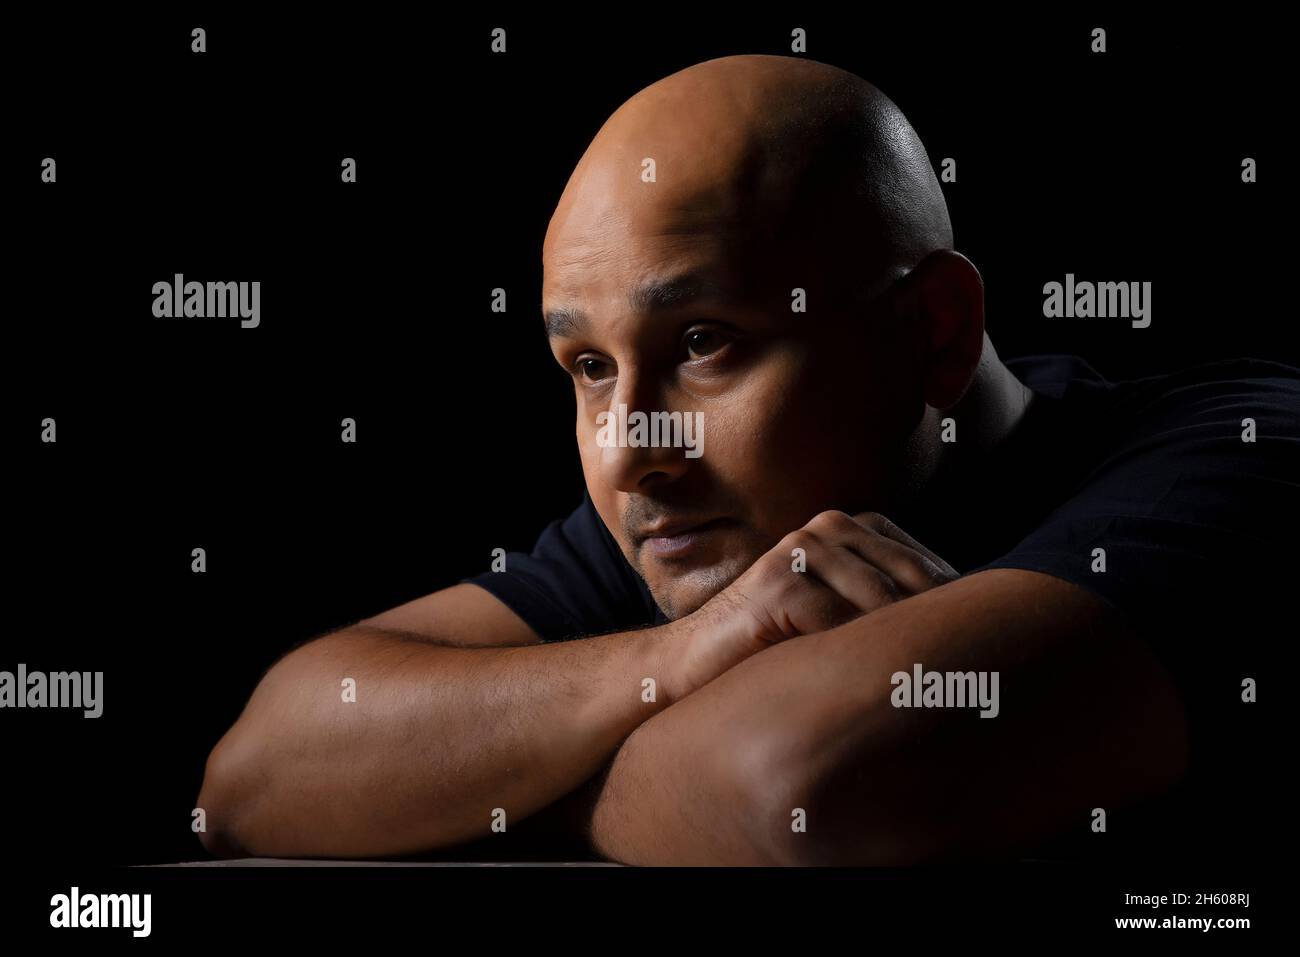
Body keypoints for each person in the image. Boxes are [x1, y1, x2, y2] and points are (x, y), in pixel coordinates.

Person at [196, 54, 1296, 865]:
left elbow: (804, 784)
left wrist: (483, 781)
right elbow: (261, 771)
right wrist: (670, 663)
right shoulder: (717, 544)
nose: (632, 451)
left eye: (703, 345)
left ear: (935, 333)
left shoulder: (1235, 462)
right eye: (586, 367)